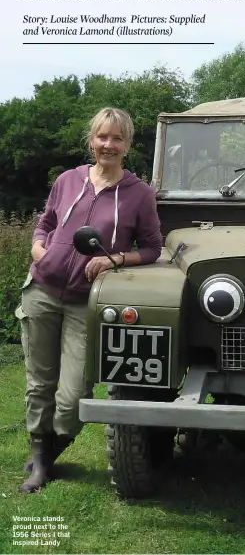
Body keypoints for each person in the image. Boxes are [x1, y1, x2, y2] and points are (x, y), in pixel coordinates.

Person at [16, 107, 163, 493]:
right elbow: (46, 222)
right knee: (39, 384)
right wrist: (38, 249)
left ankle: (52, 449)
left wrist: (114, 258)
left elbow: (152, 248)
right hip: (42, 292)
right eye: (102, 137)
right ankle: (40, 458)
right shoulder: (68, 180)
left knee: (73, 395)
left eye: (117, 138)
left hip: (87, 303)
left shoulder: (139, 194)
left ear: (128, 144)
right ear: (91, 140)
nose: (108, 145)